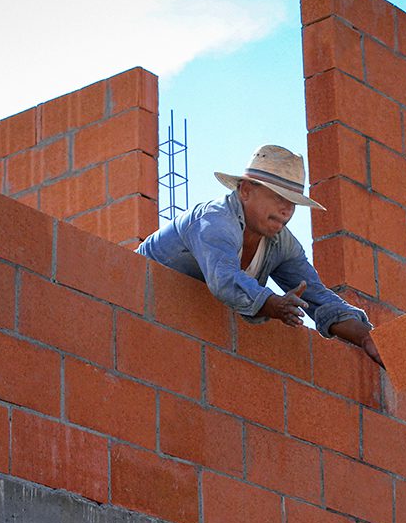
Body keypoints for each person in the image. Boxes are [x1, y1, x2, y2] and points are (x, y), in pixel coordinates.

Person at [138, 145, 382, 366]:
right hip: (137, 305)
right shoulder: (215, 221)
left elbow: (317, 296)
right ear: (245, 190)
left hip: (183, 336)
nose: (287, 210)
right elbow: (224, 280)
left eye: (293, 203)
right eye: (279, 198)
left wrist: (366, 338)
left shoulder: (282, 243)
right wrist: (272, 304)